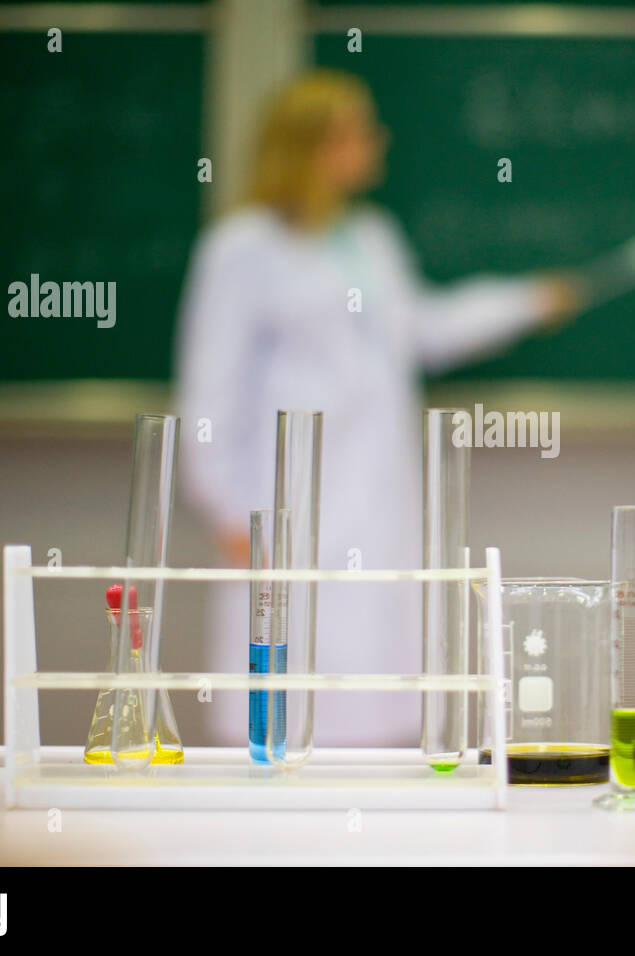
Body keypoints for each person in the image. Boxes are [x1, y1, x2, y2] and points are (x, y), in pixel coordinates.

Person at [174, 70, 580, 746]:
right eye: (357, 131)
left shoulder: (371, 237)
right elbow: (208, 389)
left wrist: (525, 302)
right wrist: (224, 506)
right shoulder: (242, 250)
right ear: (313, 145)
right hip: (283, 515)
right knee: (287, 704)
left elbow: (422, 328)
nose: (374, 142)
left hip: (376, 504)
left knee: (373, 698)